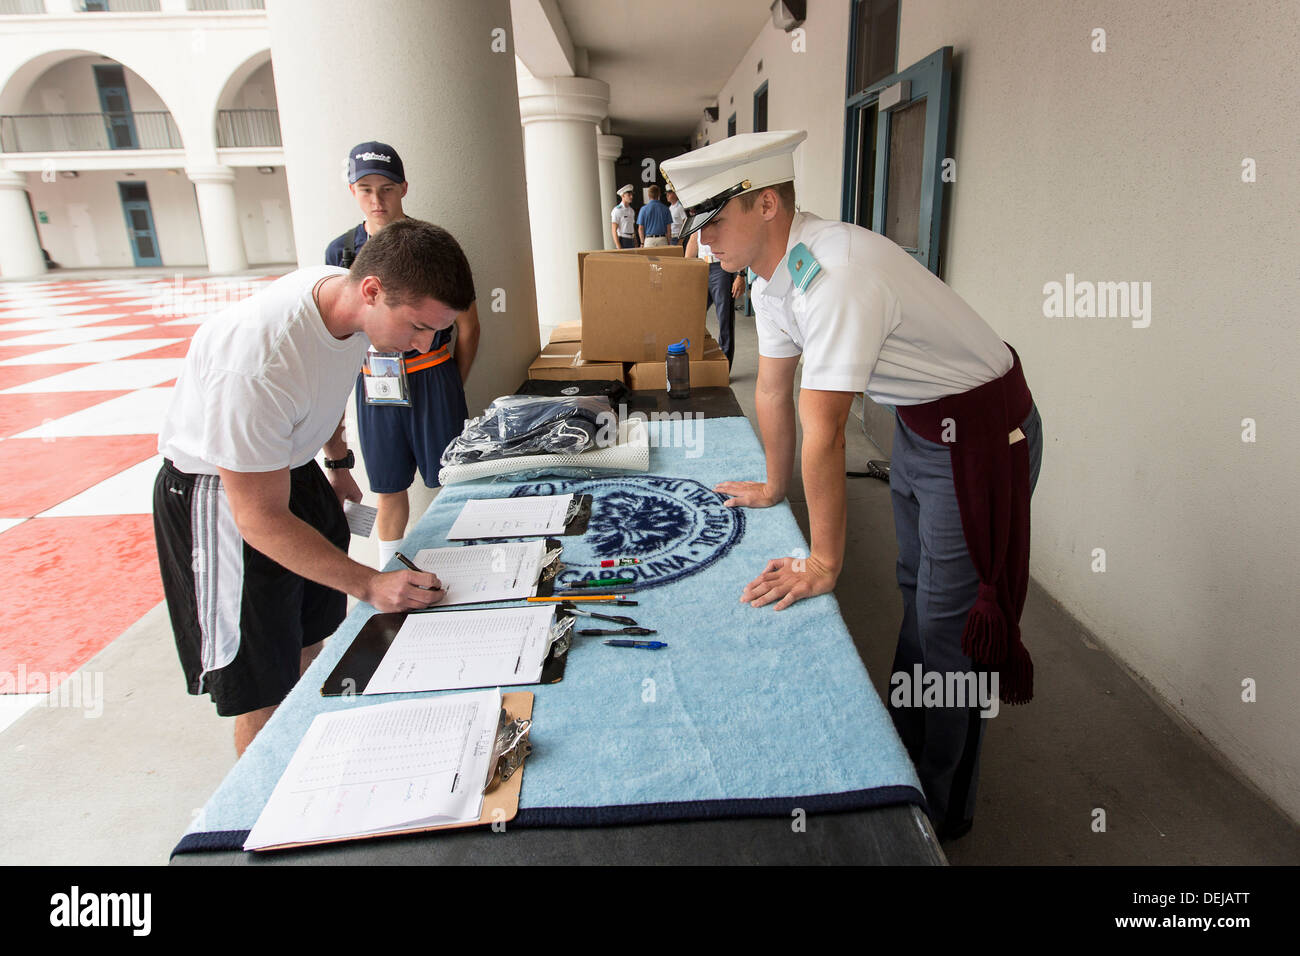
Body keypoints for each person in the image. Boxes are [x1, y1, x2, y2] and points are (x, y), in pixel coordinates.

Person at [662, 131, 1044, 841]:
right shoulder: (777, 272)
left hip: (984, 436)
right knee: (915, 590)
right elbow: (774, 388)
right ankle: (905, 741)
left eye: (712, 222)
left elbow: (826, 431)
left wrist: (824, 564)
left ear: (766, 203)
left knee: (949, 630)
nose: (701, 242)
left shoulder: (833, 277)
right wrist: (775, 487)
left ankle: (938, 808)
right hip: (926, 428)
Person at [154, 219, 473, 755]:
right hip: (220, 494)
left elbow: (321, 386)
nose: (423, 347)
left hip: (293, 466)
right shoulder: (257, 361)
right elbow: (256, 518)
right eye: (418, 327)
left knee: (309, 641)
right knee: (261, 687)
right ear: (372, 291)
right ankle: (257, 815)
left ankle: (308, 764)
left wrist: (338, 461)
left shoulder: (343, 296)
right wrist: (371, 585)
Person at [325, 142, 480, 570]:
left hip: (433, 377)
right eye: (366, 189)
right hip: (376, 385)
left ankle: (467, 566)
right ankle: (387, 574)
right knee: (386, 489)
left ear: (404, 188)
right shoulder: (340, 253)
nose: (377, 200)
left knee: (452, 479)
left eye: (387, 188)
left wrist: (451, 382)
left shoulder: (431, 245)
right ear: (352, 191)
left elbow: (468, 325)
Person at [684, 229, 745, 368]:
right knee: (693, 316)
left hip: (721, 268)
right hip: (701, 266)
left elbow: (738, 242)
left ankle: (724, 368)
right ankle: (692, 356)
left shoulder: (722, 211)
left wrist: (740, 274)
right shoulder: (697, 213)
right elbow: (694, 239)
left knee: (724, 319)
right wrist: (686, 268)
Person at [610, 184, 638, 248]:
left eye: (632, 195)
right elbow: (614, 230)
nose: (631, 197)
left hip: (631, 240)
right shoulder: (617, 210)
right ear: (623, 195)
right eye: (629, 195)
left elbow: (632, 228)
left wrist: (635, 242)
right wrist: (618, 246)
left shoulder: (631, 210)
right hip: (623, 239)